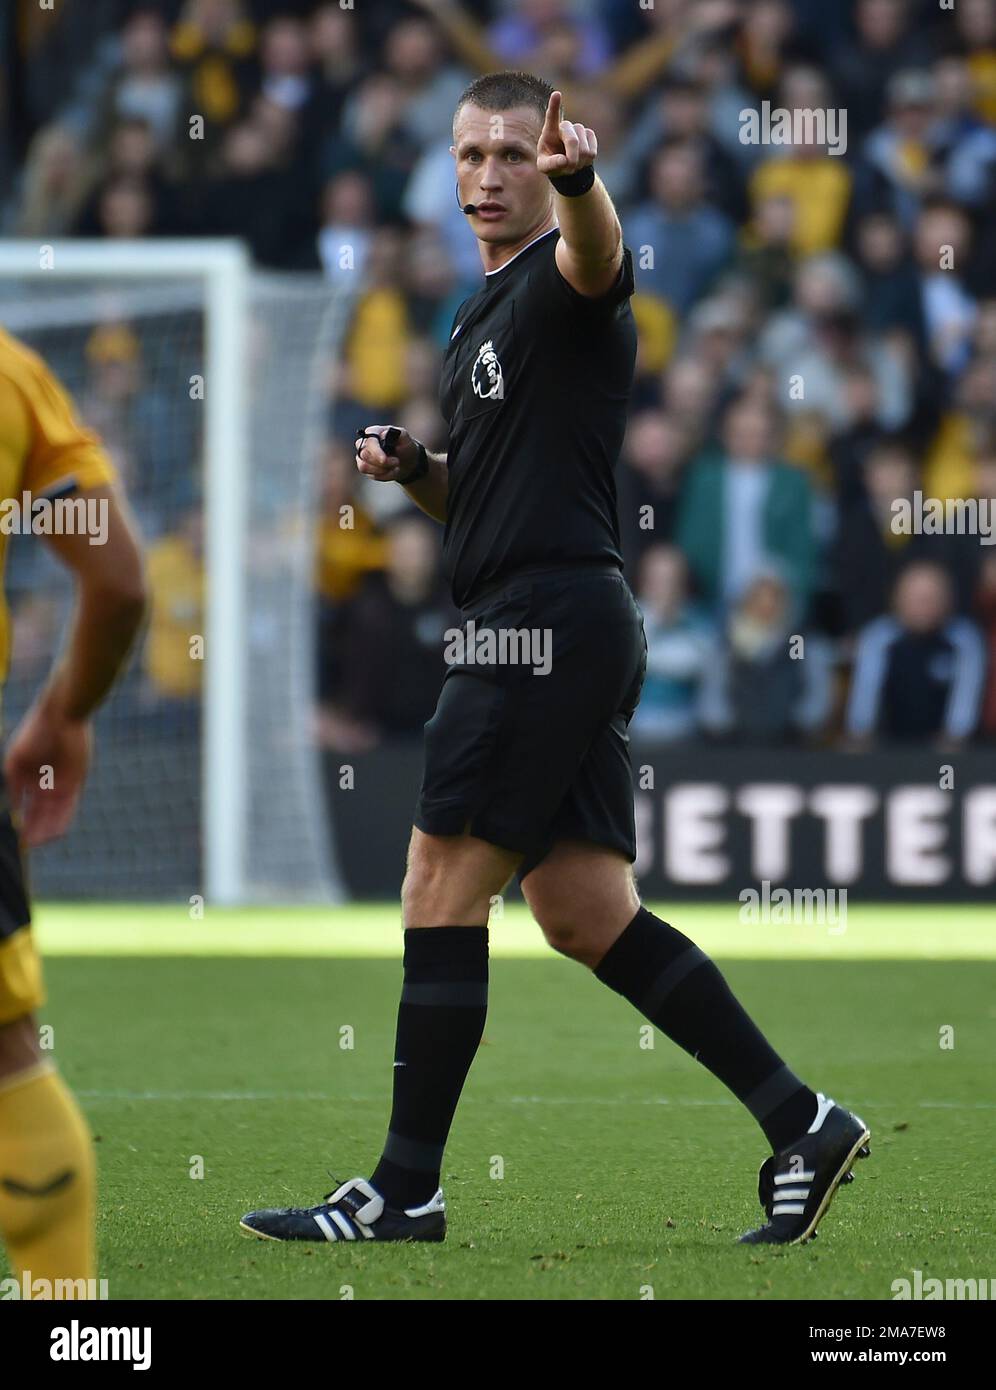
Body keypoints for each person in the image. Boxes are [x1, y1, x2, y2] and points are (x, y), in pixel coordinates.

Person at [242, 71, 869, 1251]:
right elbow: (481, 502)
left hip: (538, 624)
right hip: (559, 611)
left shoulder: (563, 283)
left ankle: (404, 1187)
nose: (487, 176)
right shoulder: (477, 317)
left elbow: (600, 256)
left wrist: (583, 185)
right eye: (471, 155)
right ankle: (806, 1122)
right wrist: (419, 470)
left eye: (512, 159)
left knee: (437, 882)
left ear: (548, 166)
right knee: (583, 911)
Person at [0, 325, 146, 1292]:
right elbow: (120, 580)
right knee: (9, 1063)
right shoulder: (10, 378)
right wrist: (65, 713)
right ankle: (75, 1337)